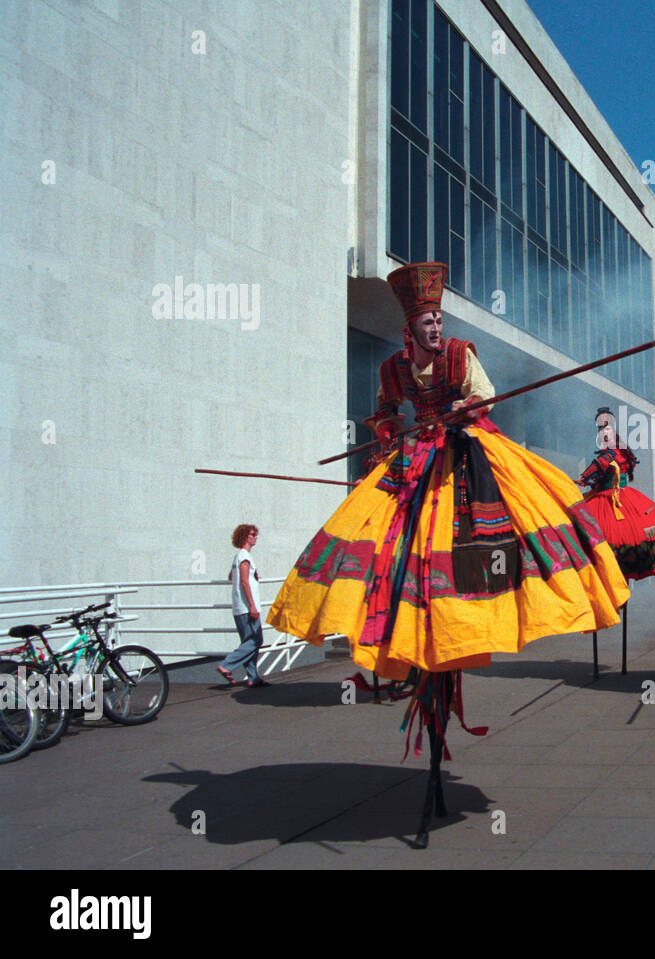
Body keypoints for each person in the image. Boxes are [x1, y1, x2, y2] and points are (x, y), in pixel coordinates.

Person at [268, 262, 629, 841]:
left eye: (439, 319)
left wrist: (467, 410)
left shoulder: (462, 355)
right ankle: (415, 644)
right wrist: (388, 432)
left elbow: (484, 397)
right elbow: (385, 413)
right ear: (409, 331)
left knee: (492, 535)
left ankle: (481, 606)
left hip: (466, 459)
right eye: (426, 323)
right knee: (394, 545)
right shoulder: (394, 367)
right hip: (415, 465)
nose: (435, 329)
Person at [576, 407, 655, 675]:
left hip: (617, 504)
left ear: (614, 429)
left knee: (617, 540)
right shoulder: (615, 451)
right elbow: (599, 469)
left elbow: (601, 465)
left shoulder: (614, 453)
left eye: (606, 427)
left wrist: (583, 478)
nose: (603, 432)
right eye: (599, 428)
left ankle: (618, 584)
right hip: (603, 501)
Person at [219, 524, 269, 687]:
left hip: (240, 607)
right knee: (256, 640)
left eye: (255, 534)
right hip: (247, 608)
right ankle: (227, 664)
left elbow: (232, 576)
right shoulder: (244, 556)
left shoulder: (239, 557)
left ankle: (253, 677)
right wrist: (253, 606)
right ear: (244, 537)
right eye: (252, 534)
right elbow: (244, 582)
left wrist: (254, 577)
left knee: (249, 642)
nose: (255, 537)